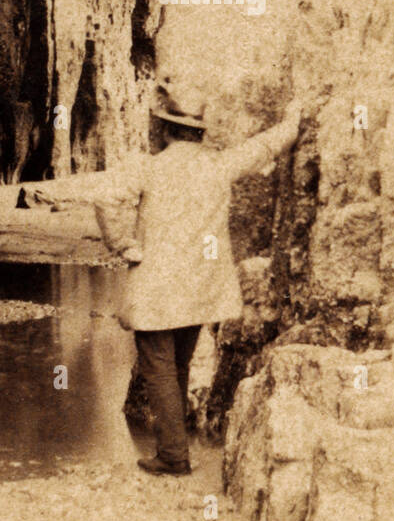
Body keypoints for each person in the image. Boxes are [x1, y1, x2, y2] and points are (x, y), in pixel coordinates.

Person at [34, 82, 303, 476]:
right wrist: (293, 121)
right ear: (199, 132)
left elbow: (107, 197)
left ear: (164, 129)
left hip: (157, 289)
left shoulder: (149, 167)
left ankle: (174, 456)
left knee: (158, 368)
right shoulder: (219, 164)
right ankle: (174, 448)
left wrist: (123, 245)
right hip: (201, 288)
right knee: (178, 365)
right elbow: (263, 148)